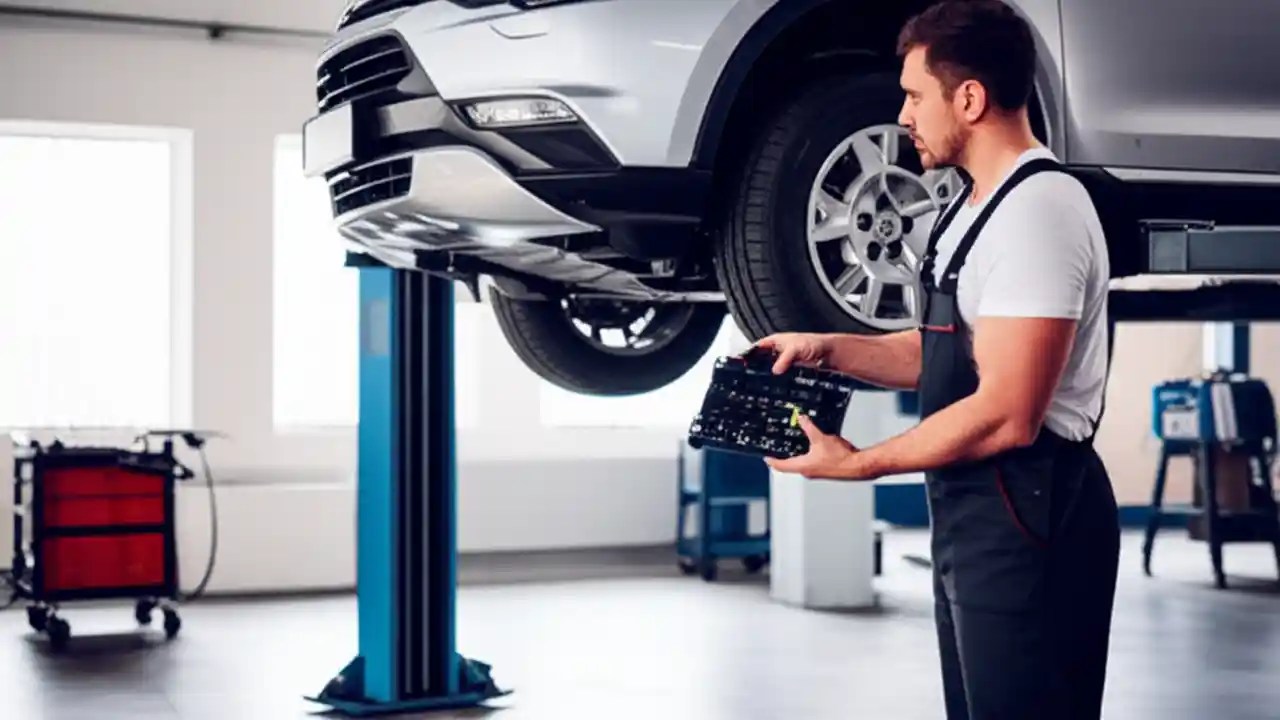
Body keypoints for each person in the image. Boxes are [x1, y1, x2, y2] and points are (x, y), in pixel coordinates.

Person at [755, 1, 1120, 719]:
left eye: (916, 95)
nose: (902, 115)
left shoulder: (1040, 211)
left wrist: (858, 464)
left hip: (1030, 508)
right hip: (973, 508)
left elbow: (1009, 413)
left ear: (971, 99)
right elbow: (942, 354)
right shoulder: (971, 209)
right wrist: (828, 349)